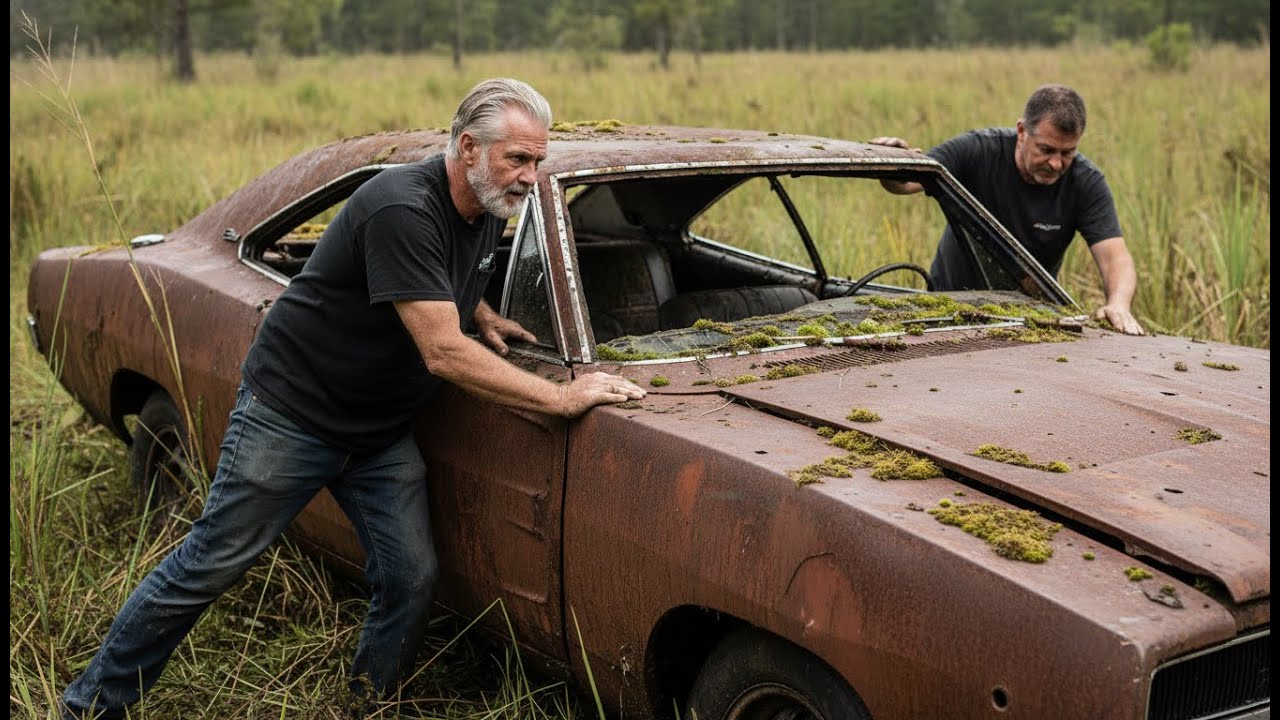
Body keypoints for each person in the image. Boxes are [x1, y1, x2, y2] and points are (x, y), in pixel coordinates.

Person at [61, 77, 646, 719]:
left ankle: (367, 703)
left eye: (538, 160)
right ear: (469, 147)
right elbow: (440, 352)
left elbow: (435, 272)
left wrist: (477, 308)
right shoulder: (402, 206)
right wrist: (560, 400)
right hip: (294, 414)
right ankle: (91, 705)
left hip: (379, 431)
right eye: (518, 159)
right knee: (212, 562)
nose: (530, 176)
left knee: (410, 577)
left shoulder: (484, 204)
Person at [870, 83, 1145, 335]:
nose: (1056, 164)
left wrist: (1118, 305)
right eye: (1046, 149)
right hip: (948, 310)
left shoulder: (1086, 182)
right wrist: (892, 161)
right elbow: (904, 184)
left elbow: (1114, 258)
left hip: (1030, 321)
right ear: (1022, 131)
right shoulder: (976, 150)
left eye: (1067, 153)